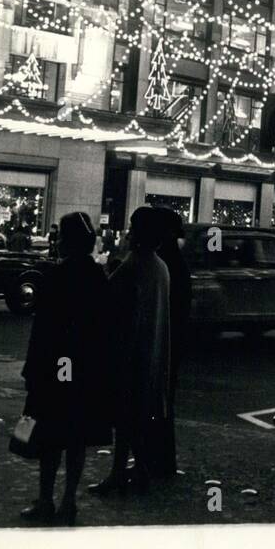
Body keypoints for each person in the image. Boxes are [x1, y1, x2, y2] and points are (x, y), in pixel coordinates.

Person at [20, 211, 111, 526]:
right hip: (84, 368)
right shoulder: (98, 277)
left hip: (55, 367)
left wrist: (32, 370)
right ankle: (68, 501)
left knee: (49, 438)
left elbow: (43, 329)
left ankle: (45, 499)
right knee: (76, 438)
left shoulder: (56, 276)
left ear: (67, 242)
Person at [90, 206, 171, 496]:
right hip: (152, 351)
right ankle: (139, 470)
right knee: (137, 417)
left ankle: (119, 473)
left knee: (125, 418)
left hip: (130, 353)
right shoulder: (160, 266)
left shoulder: (135, 264)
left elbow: (108, 299)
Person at [144, 207, 191, 477]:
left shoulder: (166, 263)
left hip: (164, 342)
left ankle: (157, 460)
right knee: (162, 403)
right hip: (171, 341)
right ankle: (160, 460)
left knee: (158, 402)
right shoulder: (173, 261)